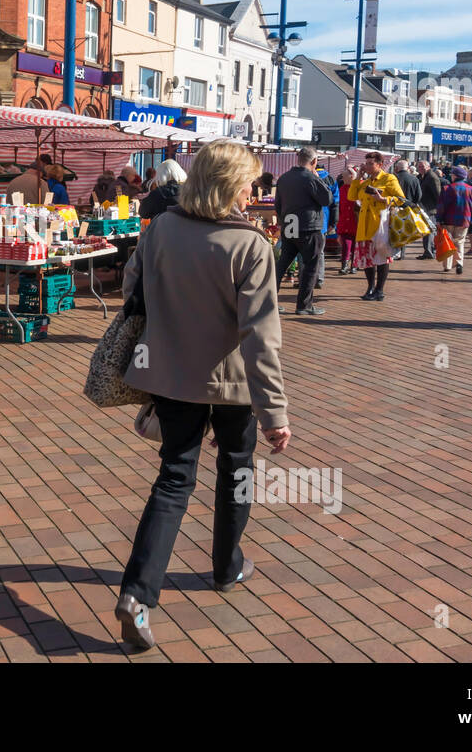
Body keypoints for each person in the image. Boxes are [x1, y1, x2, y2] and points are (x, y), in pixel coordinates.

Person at [114, 140, 291, 651]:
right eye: (249, 182)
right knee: (236, 468)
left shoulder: (163, 227)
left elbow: (132, 290)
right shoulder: (250, 245)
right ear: (233, 186)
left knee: (174, 478)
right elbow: (262, 336)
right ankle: (225, 565)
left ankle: (138, 593)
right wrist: (274, 411)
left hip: (171, 374)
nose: (252, 190)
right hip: (232, 380)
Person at [273, 146, 332, 315]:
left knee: (282, 264)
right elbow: (326, 199)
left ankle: (269, 300)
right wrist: (317, 178)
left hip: (290, 226)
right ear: (314, 161)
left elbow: (278, 204)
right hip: (309, 227)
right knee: (311, 265)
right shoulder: (310, 178)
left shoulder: (284, 178)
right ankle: (304, 305)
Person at [347, 152, 405, 300]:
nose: (367, 166)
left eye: (370, 164)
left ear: (380, 164)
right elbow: (351, 196)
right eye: (366, 164)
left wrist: (384, 199)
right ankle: (370, 287)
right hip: (364, 226)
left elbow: (401, 199)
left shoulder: (389, 178)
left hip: (380, 226)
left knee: (381, 258)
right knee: (366, 260)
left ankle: (379, 290)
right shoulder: (366, 182)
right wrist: (358, 177)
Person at [436, 165, 472, 274]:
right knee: (460, 242)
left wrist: (439, 219)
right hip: (464, 219)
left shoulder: (447, 188)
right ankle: (459, 263)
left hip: (448, 220)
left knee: (448, 241)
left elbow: (441, 206)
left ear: (455, 176)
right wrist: (471, 215)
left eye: (452, 175)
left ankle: (447, 265)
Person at [392, 159, 421, 261]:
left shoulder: (393, 178)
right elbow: (419, 195)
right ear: (407, 168)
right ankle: (402, 253)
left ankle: (395, 253)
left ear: (397, 168)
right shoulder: (414, 179)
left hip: (394, 207)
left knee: (394, 229)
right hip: (408, 207)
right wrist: (412, 203)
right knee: (405, 230)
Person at [416, 160, 442, 259]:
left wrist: (438, 208)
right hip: (424, 207)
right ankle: (429, 251)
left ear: (428, 167)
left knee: (428, 231)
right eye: (419, 166)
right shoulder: (422, 177)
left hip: (430, 209)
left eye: (422, 166)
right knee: (427, 231)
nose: (420, 168)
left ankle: (429, 252)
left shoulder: (432, 177)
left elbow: (438, 194)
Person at [335, 167, 359, 274]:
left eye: (344, 176)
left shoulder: (358, 186)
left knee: (355, 244)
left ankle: (354, 265)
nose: (342, 179)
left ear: (351, 176)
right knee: (345, 243)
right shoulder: (342, 188)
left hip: (355, 220)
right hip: (344, 219)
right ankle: (344, 264)